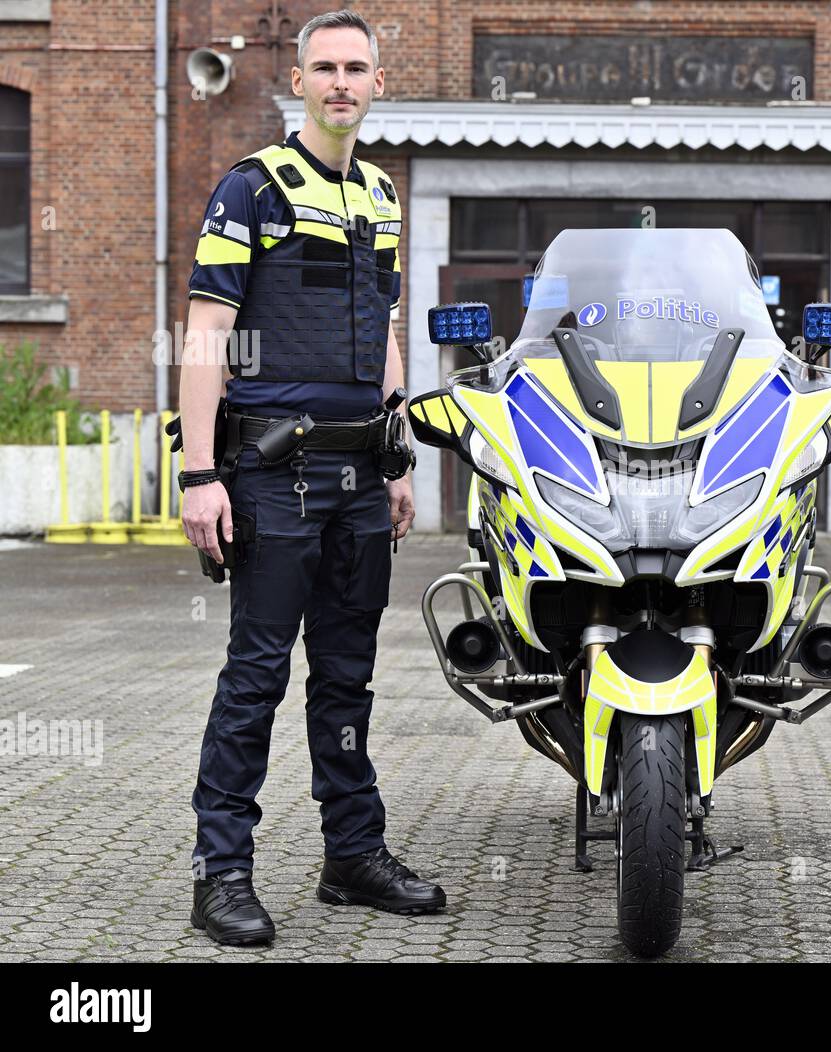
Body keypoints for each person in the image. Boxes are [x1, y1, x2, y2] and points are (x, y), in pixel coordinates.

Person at [180, 9, 444, 947]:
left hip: (360, 478)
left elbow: (386, 338)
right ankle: (223, 871)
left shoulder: (382, 197)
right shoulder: (250, 188)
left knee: (347, 677)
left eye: (356, 68)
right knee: (256, 675)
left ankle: (351, 856)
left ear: (378, 84)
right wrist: (199, 470)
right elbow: (207, 335)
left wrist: (399, 453)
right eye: (324, 67)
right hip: (270, 473)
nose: (340, 82)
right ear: (298, 82)